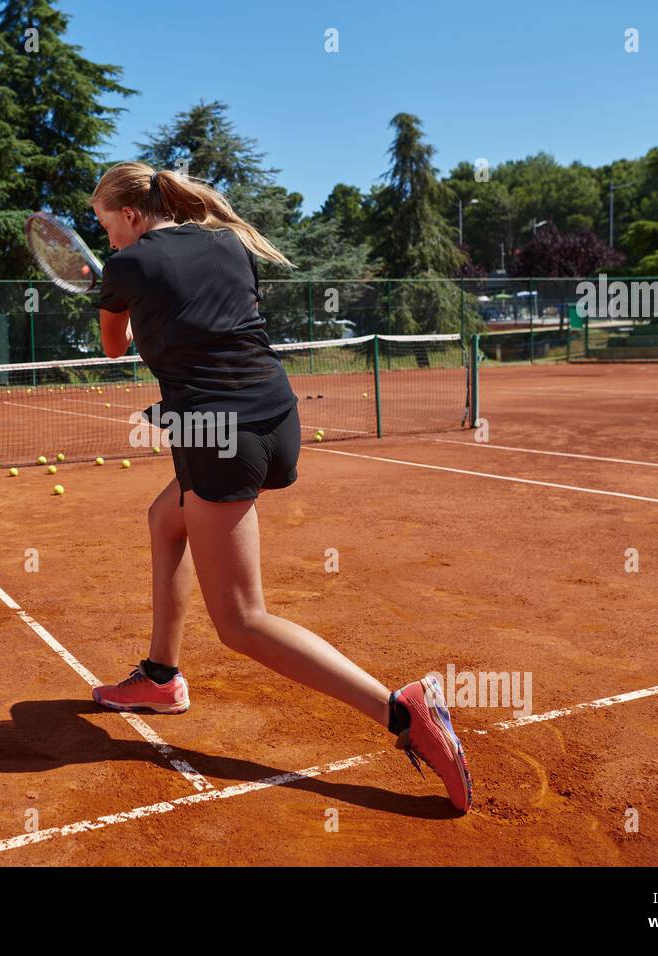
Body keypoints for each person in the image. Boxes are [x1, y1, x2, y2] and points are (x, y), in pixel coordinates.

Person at [87, 164, 472, 812]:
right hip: (274, 418)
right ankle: (160, 675)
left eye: (106, 227)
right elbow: (206, 325)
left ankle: (402, 712)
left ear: (128, 215)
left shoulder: (128, 264)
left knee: (242, 621)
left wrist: (106, 288)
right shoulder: (226, 240)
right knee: (166, 519)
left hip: (220, 435)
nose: (109, 242)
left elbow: (112, 349)